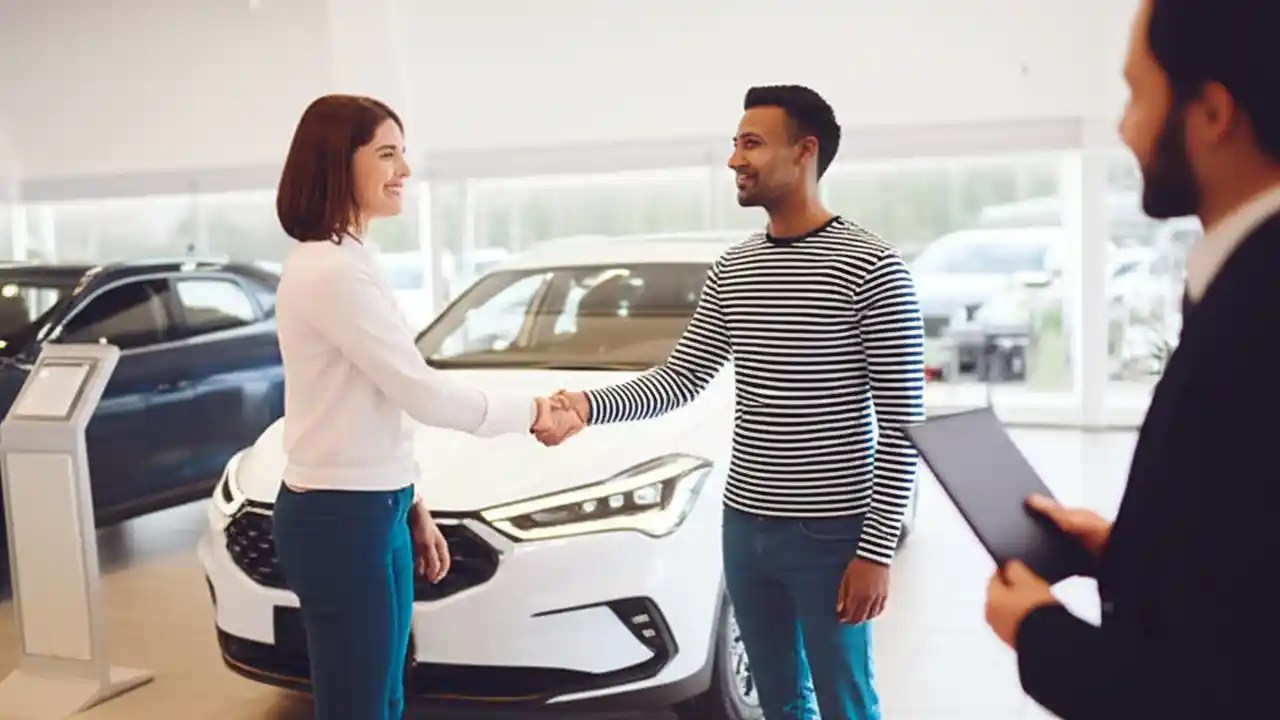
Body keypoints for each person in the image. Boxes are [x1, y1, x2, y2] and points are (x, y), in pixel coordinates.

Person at [543, 85, 925, 720]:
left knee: (846, 702)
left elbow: (904, 423)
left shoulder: (874, 268)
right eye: (734, 144)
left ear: (805, 152)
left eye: (751, 144)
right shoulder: (734, 267)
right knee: (777, 701)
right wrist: (586, 404)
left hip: (830, 533)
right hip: (745, 525)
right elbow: (680, 378)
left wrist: (874, 551)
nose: (734, 160)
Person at [984, 1, 1280, 717]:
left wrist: (1038, 633)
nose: (1122, 126)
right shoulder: (1243, 285)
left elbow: (1218, 688)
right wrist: (1125, 550)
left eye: (1137, 92)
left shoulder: (1255, 324)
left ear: (1211, 112)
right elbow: (1245, 573)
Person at [270, 94, 579, 720]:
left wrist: (412, 502)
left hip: (371, 507)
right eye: (387, 153)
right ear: (337, 163)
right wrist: (536, 410)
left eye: (403, 153)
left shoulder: (353, 257)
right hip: (337, 518)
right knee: (358, 703)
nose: (404, 170)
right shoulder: (329, 270)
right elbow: (423, 392)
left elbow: (378, 404)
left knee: (384, 697)